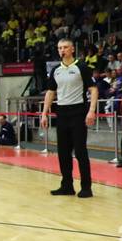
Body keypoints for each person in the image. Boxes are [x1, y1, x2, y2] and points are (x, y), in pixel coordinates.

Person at [39, 38, 98, 197]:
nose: (62, 50)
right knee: (63, 152)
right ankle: (67, 186)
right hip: (62, 114)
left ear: (72, 49)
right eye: (59, 48)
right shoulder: (56, 70)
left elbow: (93, 89)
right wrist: (44, 113)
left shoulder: (81, 67)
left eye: (65, 47)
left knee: (80, 151)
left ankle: (86, 187)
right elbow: (51, 92)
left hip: (78, 113)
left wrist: (91, 111)